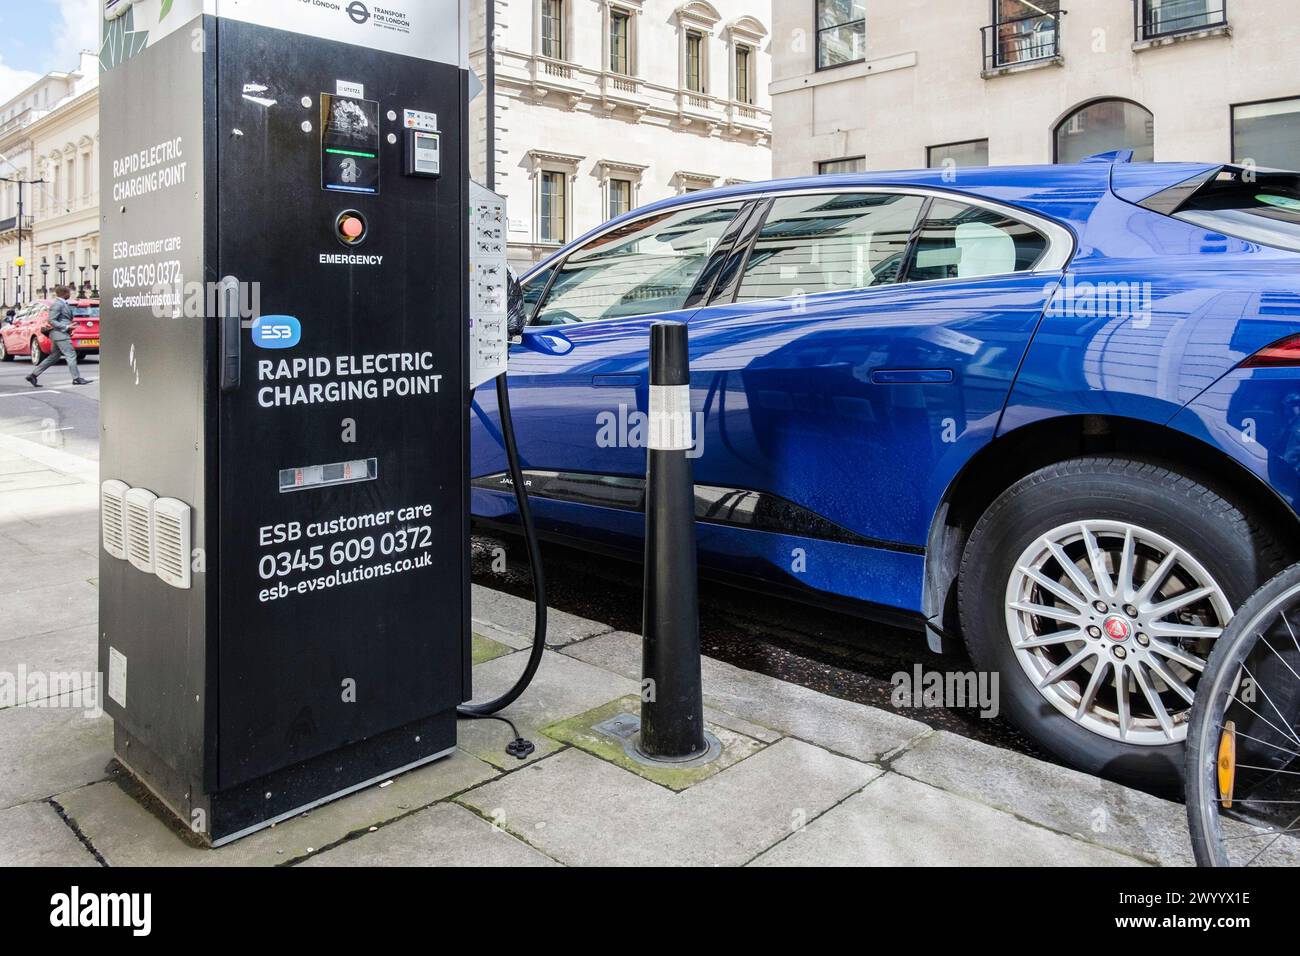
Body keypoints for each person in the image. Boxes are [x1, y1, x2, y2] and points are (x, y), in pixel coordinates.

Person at [26, 285, 89, 387]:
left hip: (59, 334)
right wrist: (66, 326)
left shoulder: (63, 304)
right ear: (65, 293)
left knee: (54, 357)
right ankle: (76, 378)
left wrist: (69, 327)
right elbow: (51, 320)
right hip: (60, 334)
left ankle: (33, 375)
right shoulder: (57, 304)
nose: (70, 294)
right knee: (71, 355)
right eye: (69, 292)